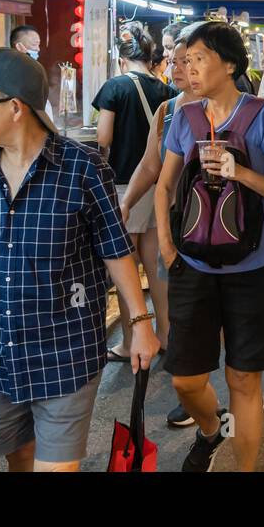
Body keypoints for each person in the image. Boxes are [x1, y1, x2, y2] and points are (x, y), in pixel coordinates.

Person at [0, 48, 159, 472]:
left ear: (15, 107)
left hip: (64, 352)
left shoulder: (83, 169)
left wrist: (140, 324)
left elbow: (115, 249)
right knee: (21, 463)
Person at [154, 21, 264, 471]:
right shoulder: (184, 117)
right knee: (185, 379)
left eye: (199, 59)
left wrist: (243, 173)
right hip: (193, 264)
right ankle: (211, 429)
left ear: (230, 64)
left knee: (243, 378)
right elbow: (164, 187)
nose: (189, 69)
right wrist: (167, 249)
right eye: (186, 60)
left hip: (254, 266)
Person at [118, 30, 201, 427]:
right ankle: (195, 395)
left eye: (187, 59)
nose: (176, 66)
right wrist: (126, 201)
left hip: (232, 236)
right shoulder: (168, 109)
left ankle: (245, 388)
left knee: (229, 318)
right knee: (181, 310)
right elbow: (150, 166)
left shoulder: (238, 108)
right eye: (173, 58)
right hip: (177, 230)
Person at [92, 22, 177, 363]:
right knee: (157, 269)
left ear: (121, 57)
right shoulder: (167, 91)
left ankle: (131, 342)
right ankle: (167, 335)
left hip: (124, 187)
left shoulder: (115, 87)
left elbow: (103, 138)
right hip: (159, 187)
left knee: (126, 267)